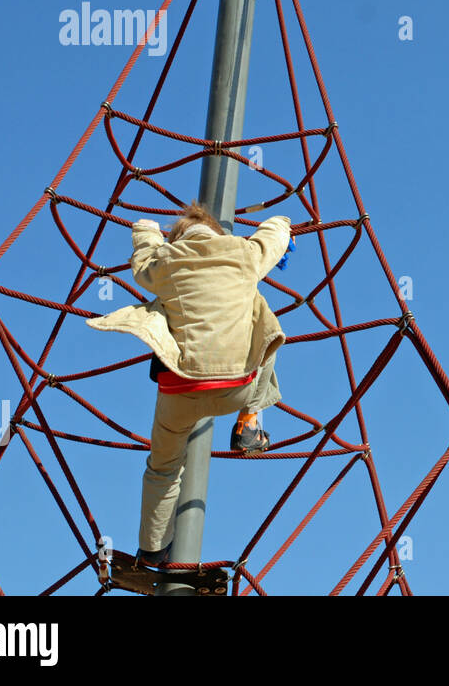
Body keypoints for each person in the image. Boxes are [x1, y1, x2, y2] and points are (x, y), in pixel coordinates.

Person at [85, 201, 293, 568]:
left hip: (179, 391)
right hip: (237, 385)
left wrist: (146, 227)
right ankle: (249, 422)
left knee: (163, 467)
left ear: (178, 238)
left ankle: (152, 548)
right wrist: (282, 223)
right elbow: (271, 238)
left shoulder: (165, 263)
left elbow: (144, 258)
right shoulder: (244, 254)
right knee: (263, 320)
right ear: (218, 232)